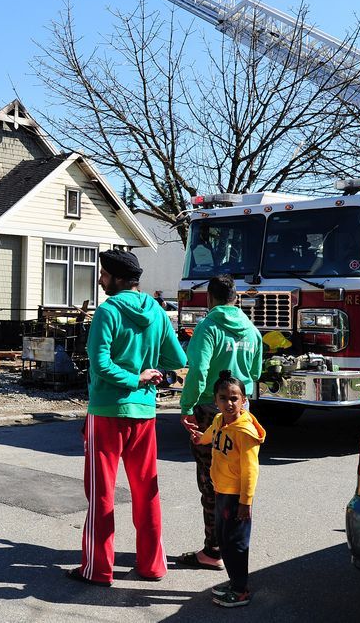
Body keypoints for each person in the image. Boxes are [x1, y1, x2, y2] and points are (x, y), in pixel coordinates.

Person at [67, 249, 187, 587]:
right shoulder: (158, 311)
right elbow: (176, 356)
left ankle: (97, 569)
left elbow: (100, 365)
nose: (101, 280)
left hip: (107, 411)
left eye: (104, 274)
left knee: (101, 493)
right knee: (146, 491)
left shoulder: (107, 312)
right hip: (144, 414)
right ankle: (151, 565)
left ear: (118, 278)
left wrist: (133, 377)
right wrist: (150, 374)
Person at [177, 274, 262, 571]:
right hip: (242, 409)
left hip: (210, 409)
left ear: (209, 298)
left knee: (210, 479)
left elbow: (198, 371)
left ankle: (213, 549)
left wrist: (186, 406)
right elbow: (254, 371)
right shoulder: (252, 330)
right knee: (237, 477)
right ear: (236, 298)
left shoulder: (208, 327)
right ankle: (233, 546)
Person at [187, 371, 266, 608]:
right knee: (224, 539)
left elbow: (251, 470)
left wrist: (246, 501)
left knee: (236, 543)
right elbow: (212, 435)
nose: (229, 403)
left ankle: (240, 590)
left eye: (235, 398)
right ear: (215, 400)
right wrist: (200, 438)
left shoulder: (245, 432)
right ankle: (234, 583)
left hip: (236, 497)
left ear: (244, 400)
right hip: (221, 491)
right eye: (224, 398)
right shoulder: (220, 421)